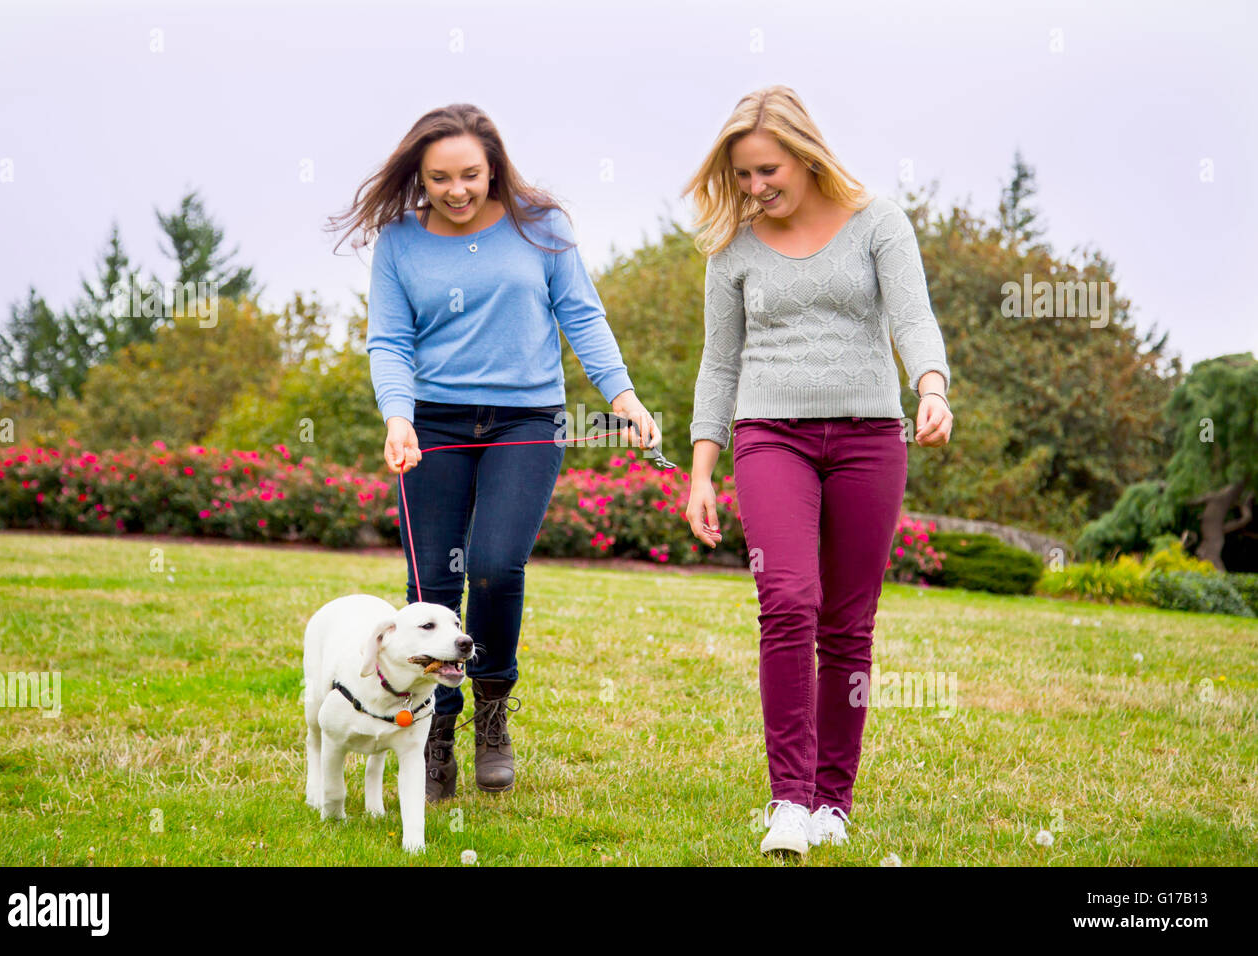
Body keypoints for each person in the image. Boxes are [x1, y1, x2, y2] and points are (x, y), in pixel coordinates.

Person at [328, 103, 661, 801]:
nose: (457, 191)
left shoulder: (540, 227)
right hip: (435, 423)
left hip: (526, 418)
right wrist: (399, 417)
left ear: (494, 166)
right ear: (419, 176)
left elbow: (581, 314)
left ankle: (492, 712)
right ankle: (435, 725)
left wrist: (622, 397)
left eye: (471, 175)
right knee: (433, 587)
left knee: (496, 566)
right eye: (440, 178)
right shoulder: (400, 242)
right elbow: (390, 341)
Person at [682, 86, 953, 856]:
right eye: (741, 175)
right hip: (771, 436)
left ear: (804, 155)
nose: (754, 187)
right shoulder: (731, 246)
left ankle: (833, 800)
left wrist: (931, 387)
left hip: (871, 435)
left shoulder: (877, 221)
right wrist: (702, 470)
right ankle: (788, 801)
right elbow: (718, 364)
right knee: (789, 599)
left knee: (847, 624)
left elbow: (912, 318)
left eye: (766, 170)